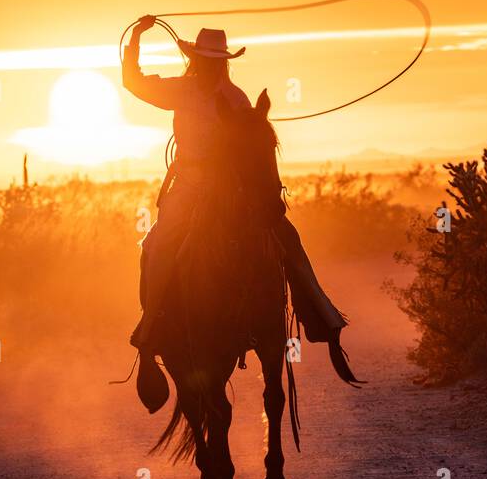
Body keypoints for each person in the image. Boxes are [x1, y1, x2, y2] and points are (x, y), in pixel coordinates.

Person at [121, 18, 348, 354]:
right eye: (207, 60)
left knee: (286, 237)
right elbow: (133, 82)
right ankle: (152, 321)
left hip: (230, 184)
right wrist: (136, 39)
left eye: (218, 61)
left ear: (223, 63)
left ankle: (320, 312)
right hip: (187, 183)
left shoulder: (236, 97)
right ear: (196, 59)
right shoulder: (179, 90)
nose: (212, 66)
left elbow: (252, 146)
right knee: (158, 244)